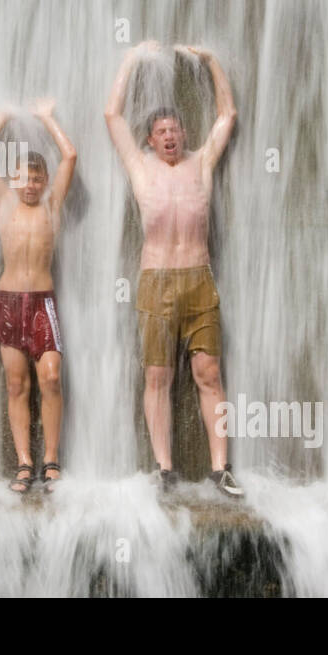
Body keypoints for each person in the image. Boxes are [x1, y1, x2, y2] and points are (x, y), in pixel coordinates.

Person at [105, 40, 243, 498]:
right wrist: (131, 59)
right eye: (161, 131)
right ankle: (165, 469)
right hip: (156, 282)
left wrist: (211, 60)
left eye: (175, 129)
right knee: (157, 377)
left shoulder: (201, 163)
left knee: (209, 374)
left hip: (200, 279)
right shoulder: (140, 168)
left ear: (184, 134)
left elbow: (227, 117)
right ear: (150, 139)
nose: (169, 136)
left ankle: (220, 468)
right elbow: (112, 116)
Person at [0, 100, 76, 493]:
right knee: (16, 385)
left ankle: (51, 460)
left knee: (50, 377)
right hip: (8, 304)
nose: (31, 185)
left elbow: (70, 154)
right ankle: (24, 463)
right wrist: (1, 115)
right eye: (24, 179)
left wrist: (48, 119)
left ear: (45, 181)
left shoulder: (53, 205)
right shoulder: (4, 202)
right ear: (14, 180)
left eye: (37, 179)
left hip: (42, 303)